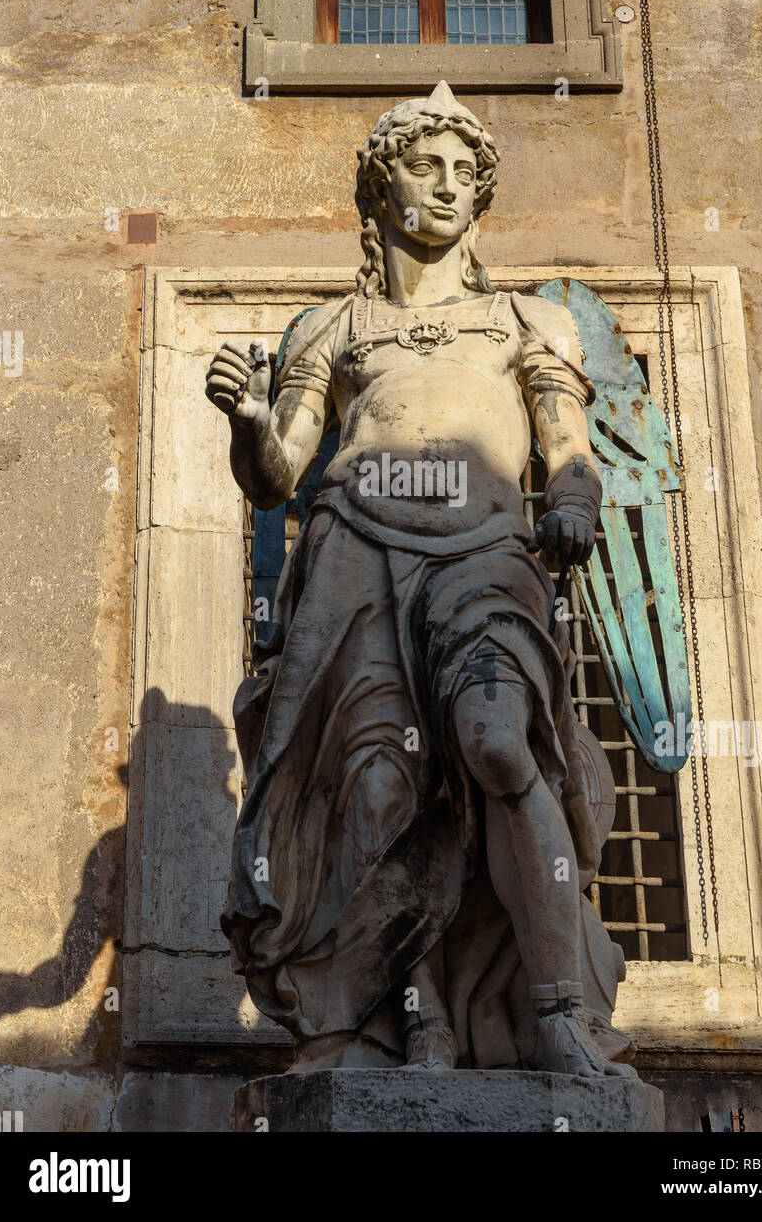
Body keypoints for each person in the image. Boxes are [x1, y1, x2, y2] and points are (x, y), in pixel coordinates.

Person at [207, 82, 635, 1077]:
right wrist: (246, 422)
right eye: (423, 165)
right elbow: (277, 476)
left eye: (464, 173)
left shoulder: (529, 321)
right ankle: (420, 1019)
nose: (446, 188)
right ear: (381, 183)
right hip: (355, 557)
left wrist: (571, 502)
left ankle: (557, 1009)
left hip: (483, 555)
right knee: (376, 790)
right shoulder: (332, 327)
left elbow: (570, 449)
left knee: (495, 740)